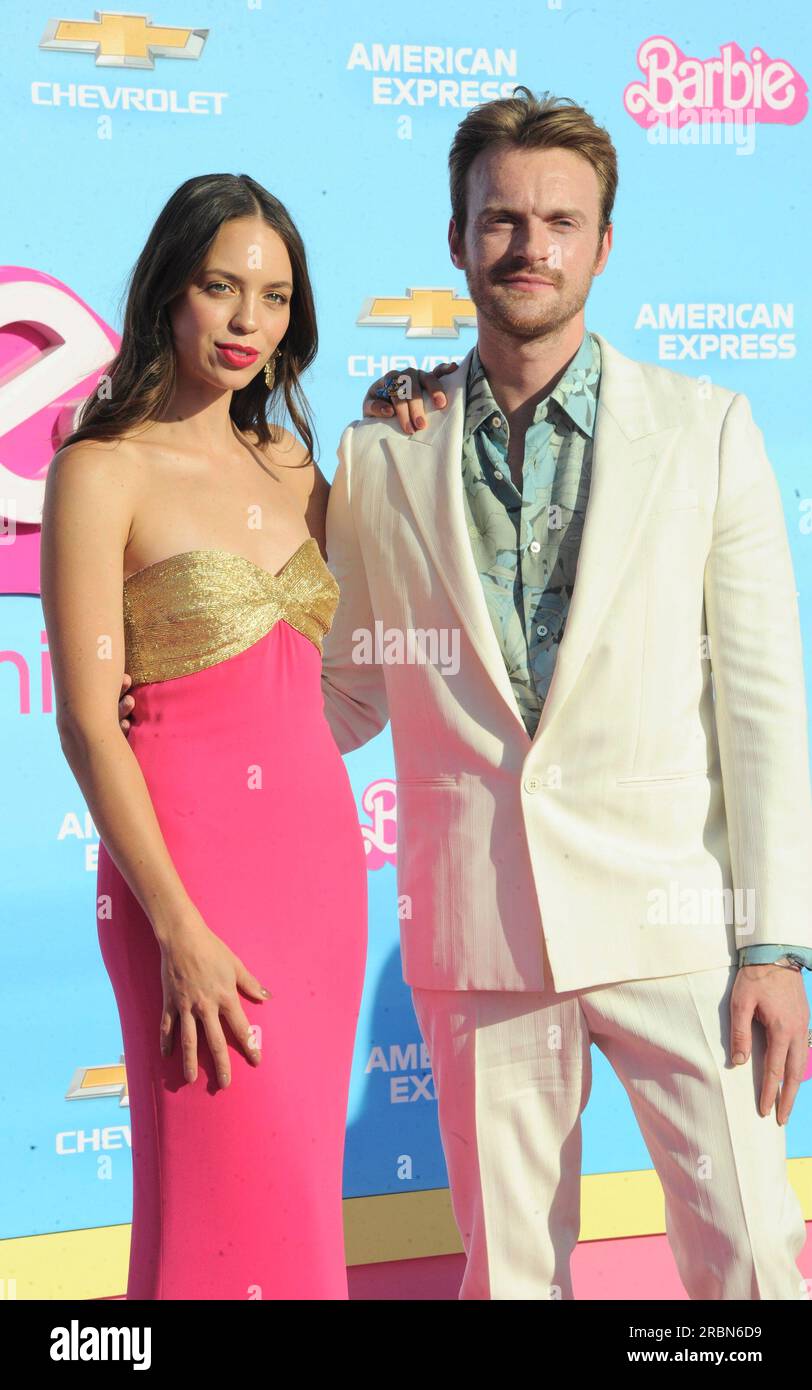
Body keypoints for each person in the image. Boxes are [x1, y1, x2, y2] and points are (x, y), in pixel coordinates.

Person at [118, 90, 812, 1300]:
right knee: (506, 1284)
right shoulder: (381, 449)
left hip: (676, 928)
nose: (527, 245)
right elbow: (347, 690)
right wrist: (185, 714)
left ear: (602, 243)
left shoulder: (707, 432)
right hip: (478, 936)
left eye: (558, 220)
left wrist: (774, 946)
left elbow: (761, 706)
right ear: (457, 240)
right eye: (500, 219)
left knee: (751, 1260)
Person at [40, 172, 416, 1300]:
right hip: (184, 883)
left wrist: (403, 413)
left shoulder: (302, 474)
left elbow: (374, 638)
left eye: (274, 295)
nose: (248, 319)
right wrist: (178, 931)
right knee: (204, 1191)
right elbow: (85, 726)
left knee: (299, 1195)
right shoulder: (99, 470)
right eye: (221, 286)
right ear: (170, 292)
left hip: (317, 879)